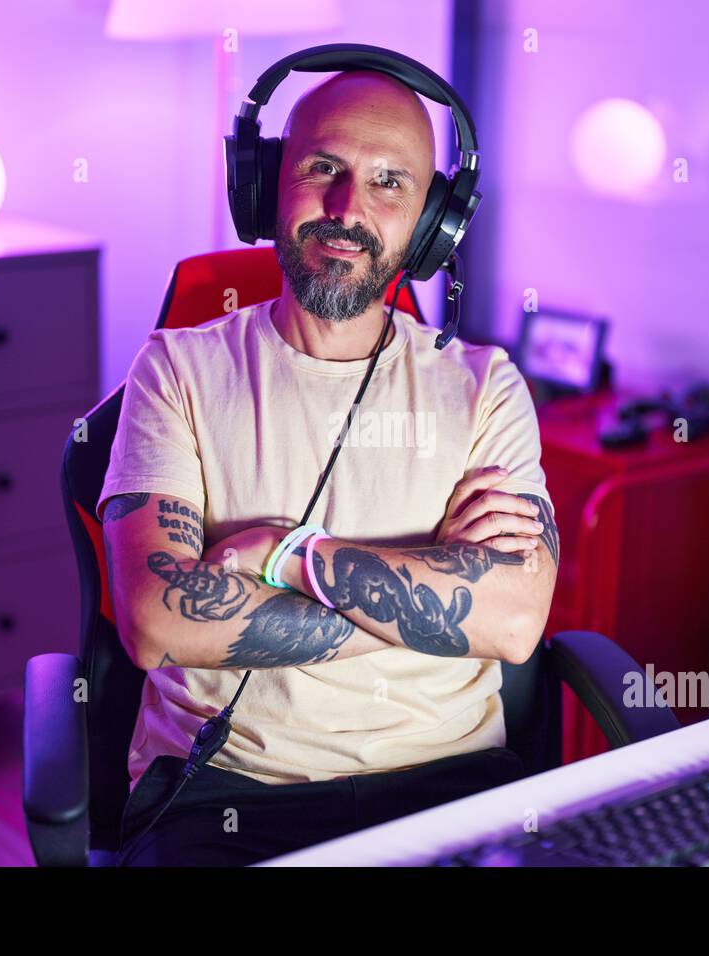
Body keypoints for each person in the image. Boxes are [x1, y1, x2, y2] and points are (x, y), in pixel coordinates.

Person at [100, 68, 559, 866]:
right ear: (267, 183)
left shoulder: (486, 388)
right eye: (323, 169)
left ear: (430, 225)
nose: (348, 210)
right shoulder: (174, 370)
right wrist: (431, 603)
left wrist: (285, 555)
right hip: (229, 794)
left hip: (450, 785)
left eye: (390, 182)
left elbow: (515, 621)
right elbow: (154, 622)